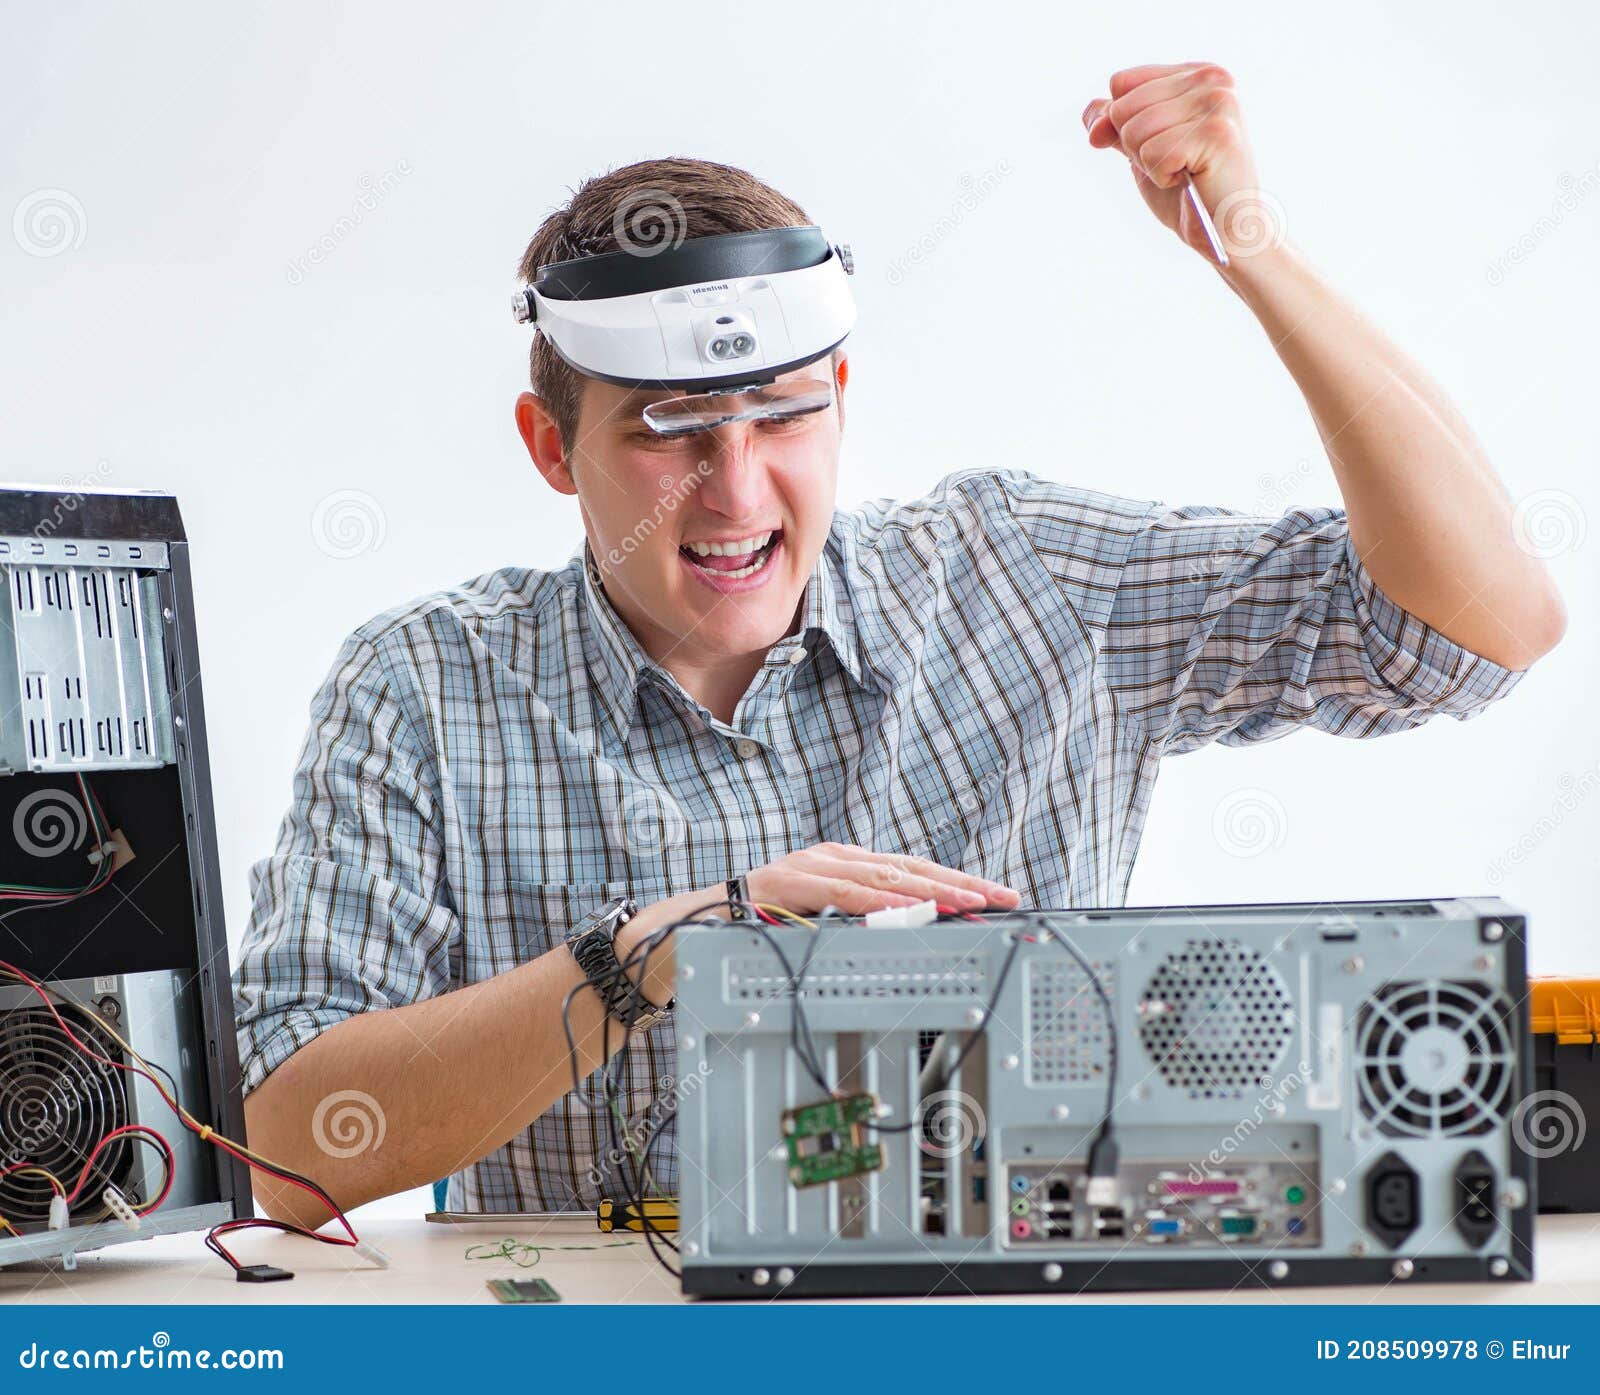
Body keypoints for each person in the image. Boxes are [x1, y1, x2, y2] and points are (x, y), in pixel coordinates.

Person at [235, 63, 1564, 1227]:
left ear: (843, 399)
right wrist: (664, 948)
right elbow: (285, 1151)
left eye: (781, 414)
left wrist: (1254, 251)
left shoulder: (1024, 578)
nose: (739, 491)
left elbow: (1480, 628)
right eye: (666, 430)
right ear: (550, 448)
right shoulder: (420, 687)